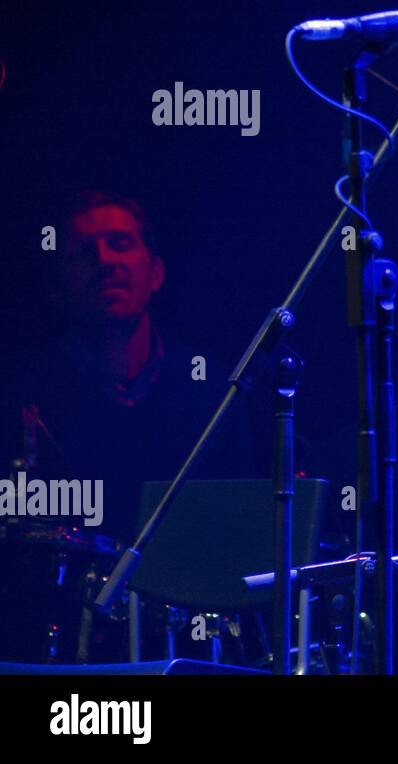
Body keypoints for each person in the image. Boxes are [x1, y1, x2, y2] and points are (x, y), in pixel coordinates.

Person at [1, 190, 256, 662]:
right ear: (56, 289)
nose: (105, 261)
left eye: (120, 243)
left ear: (155, 272)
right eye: (83, 253)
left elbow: (240, 540)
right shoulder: (17, 389)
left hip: (191, 644)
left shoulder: (215, 389)